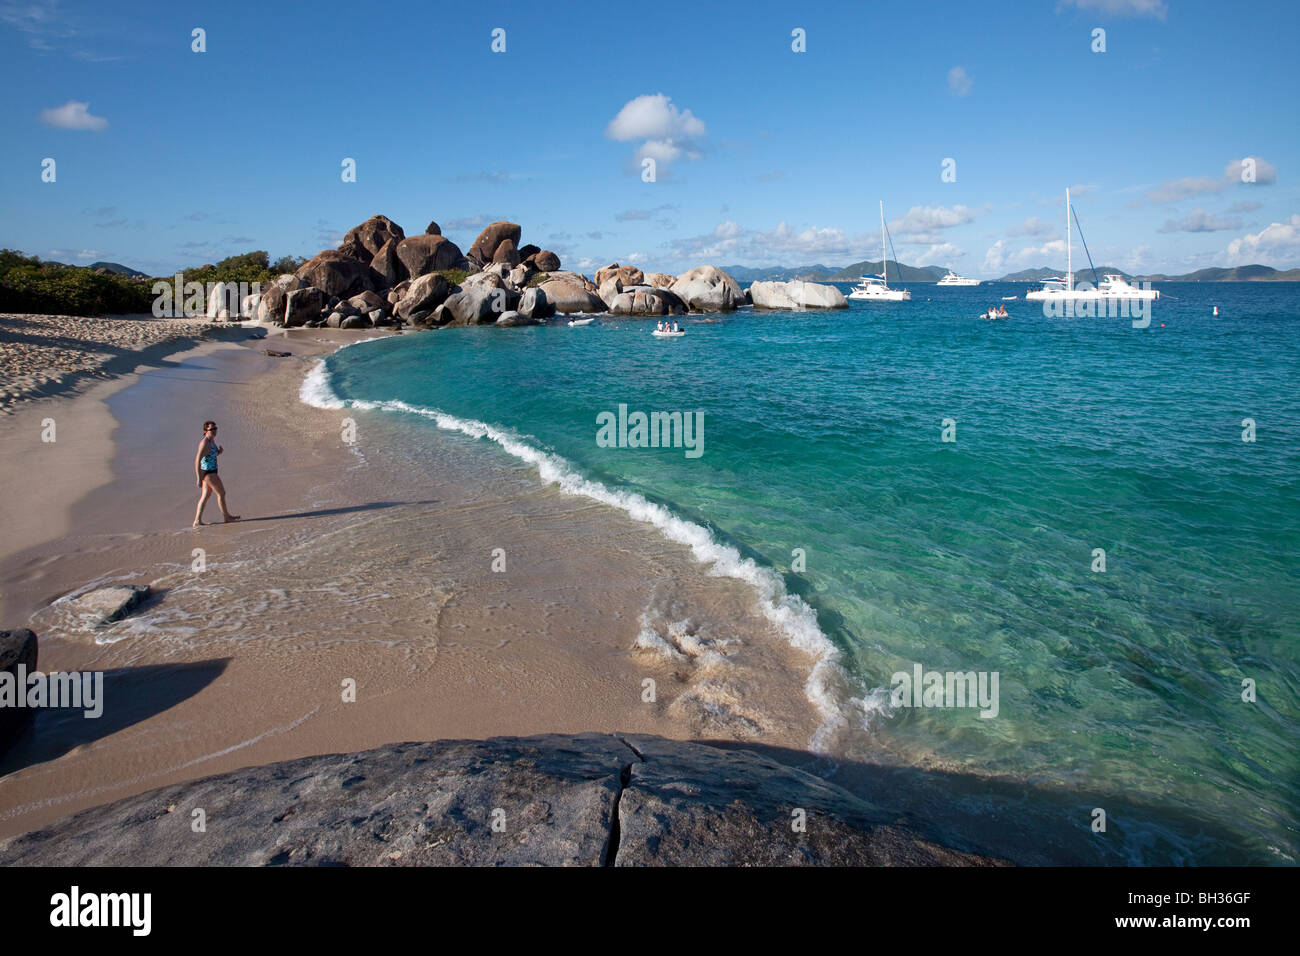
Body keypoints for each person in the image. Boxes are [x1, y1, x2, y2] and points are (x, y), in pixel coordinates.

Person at [193, 421, 240, 527]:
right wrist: (199, 478)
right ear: (205, 431)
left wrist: (218, 452)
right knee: (221, 493)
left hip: (212, 471)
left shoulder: (211, 440)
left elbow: (210, 456)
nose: (214, 431)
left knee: (205, 496)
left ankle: (197, 521)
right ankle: (227, 517)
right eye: (211, 429)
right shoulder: (204, 443)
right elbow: (197, 460)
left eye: (215, 429)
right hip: (209, 473)